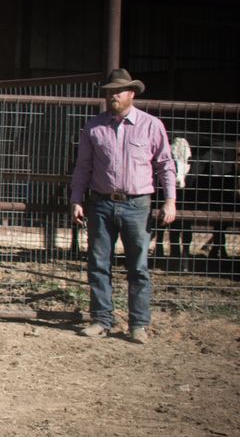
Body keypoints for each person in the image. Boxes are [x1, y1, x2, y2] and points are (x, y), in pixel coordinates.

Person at [70, 68, 177, 344]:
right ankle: (101, 320)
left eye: (118, 91)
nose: (113, 96)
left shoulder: (151, 125)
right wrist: (76, 199)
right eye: (109, 92)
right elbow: (83, 166)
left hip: (137, 204)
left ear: (132, 94)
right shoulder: (94, 127)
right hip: (101, 202)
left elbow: (165, 165)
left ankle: (138, 324)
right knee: (98, 263)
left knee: (138, 266)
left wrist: (170, 200)